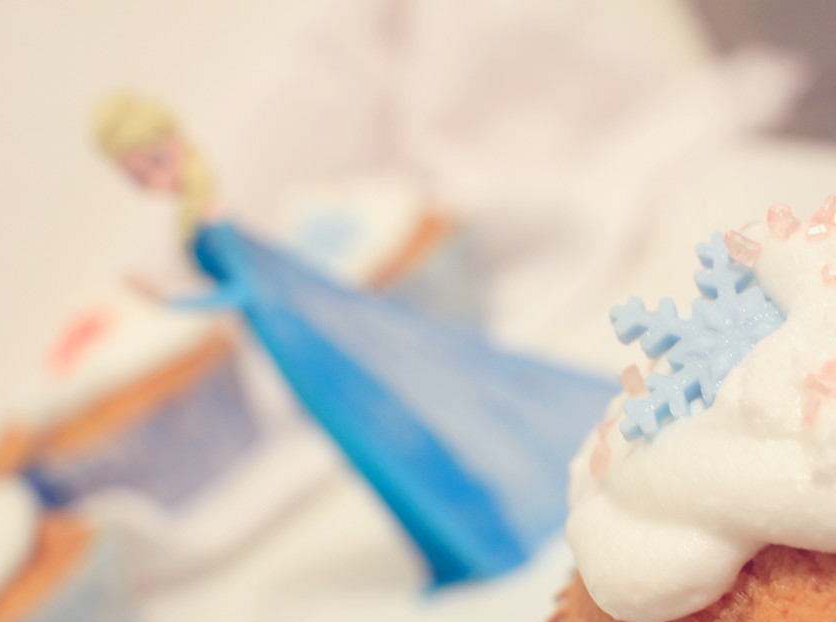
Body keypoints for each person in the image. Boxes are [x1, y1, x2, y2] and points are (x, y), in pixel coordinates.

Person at [93, 92, 616, 586]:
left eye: (154, 161)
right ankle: (462, 522)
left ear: (177, 144)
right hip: (287, 336)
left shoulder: (207, 214)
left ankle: (476, 527)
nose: (150, 179)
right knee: (375, 430)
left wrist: (171, 302)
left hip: (298, 336)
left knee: (384, 420)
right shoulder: (194, 214)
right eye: (137, 173)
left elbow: (246, 290)